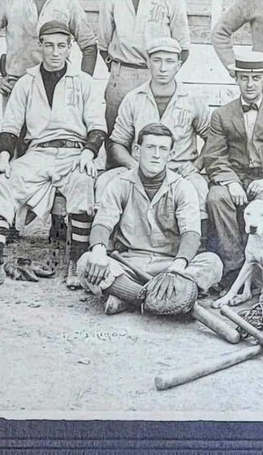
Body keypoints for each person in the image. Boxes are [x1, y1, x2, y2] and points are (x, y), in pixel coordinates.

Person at [0, 21, 107, 294]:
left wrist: (89, 154)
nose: (55, 52)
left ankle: (77, 262)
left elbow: (97, 126)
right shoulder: (26, 82)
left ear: (70, 49)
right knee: (3, 184)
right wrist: (3, 160)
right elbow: (10, 127)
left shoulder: (84, 82)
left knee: (82, 182)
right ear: (40, 46)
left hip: (74, 151)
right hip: (39, 152)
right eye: (49, 45)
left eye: (61, 46)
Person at [78, 123, 223, 314]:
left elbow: (191, 233)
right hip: (129, 263)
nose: (156, 154)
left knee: (212, 263)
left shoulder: (183, 187)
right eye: (150, 147)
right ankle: (158, 299)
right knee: (85, 262)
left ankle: (126, 296)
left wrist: (178, 265)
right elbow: (103, 223)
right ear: (137, 151)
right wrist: (98, 250)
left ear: (171, 155)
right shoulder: (120, 183)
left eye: (163, 149)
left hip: (170, 265)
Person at [202, 49, 263, 273]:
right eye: (244, 78)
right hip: (233, 176)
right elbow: (214, 155)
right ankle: (234, 266)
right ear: (236, 79)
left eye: (255, 78)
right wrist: (230, 182)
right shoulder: (221, 115)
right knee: (217, 198)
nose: (250, 84)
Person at [97, 37, 212, 214]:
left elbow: (212, 138)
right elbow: (117, 142)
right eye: (157, 61)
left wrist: (196, 165)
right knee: (105, 182)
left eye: (169, 61)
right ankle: (105, 240)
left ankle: (196, 240)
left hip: (179, 169)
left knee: (199, 189)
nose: (163, 68)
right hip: (141, 169)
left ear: (178, 65)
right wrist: (132, 165)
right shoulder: (134, 98)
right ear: (148, 63)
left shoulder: (192, 99)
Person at [98, 0, 191, 132]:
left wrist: (162, 73)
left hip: (155, 77)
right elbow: (103, 44)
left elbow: (183, 47)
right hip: (120, 77)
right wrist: (118, 69)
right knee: (116, 137)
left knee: (153, 136)